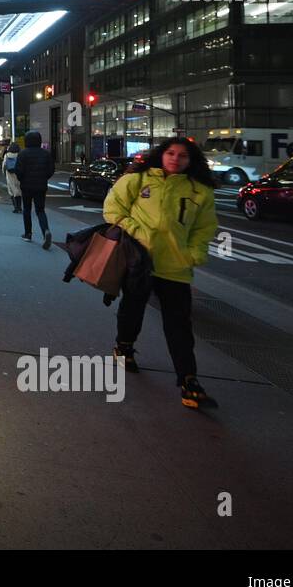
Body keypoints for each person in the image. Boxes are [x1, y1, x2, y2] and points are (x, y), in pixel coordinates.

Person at [103, 137, 220, 409]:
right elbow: (113, 208)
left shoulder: (199, 191)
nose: (175, 159)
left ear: (191, 161)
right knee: (132, 308)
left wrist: (194, 254)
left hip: (176, 267)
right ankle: (124, 347)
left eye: (182, 155)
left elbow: (205, 228)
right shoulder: (139, 180)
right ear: (161, 154)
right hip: (139, 260)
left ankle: (188, 380)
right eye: (170, 153)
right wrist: (138, 233)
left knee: (179, 324)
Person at [14, 131, 54, 249]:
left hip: (26, 186)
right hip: (41, 186)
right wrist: (44, 178)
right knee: (40, 210)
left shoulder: (23, 154)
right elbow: (51, 170)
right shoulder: (46, 154)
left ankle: (28, 234)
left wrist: (22, 179)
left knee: (27, 209)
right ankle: (45, 231)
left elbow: (18, 170)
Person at [2, 142, 22, 211]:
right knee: (18, 191)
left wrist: (4, 173)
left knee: (11, 191)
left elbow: (4, 166)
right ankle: (19, 206)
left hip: (9, 175)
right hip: (18, 174)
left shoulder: (7, 155)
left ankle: (15, 207)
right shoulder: (20, 155)